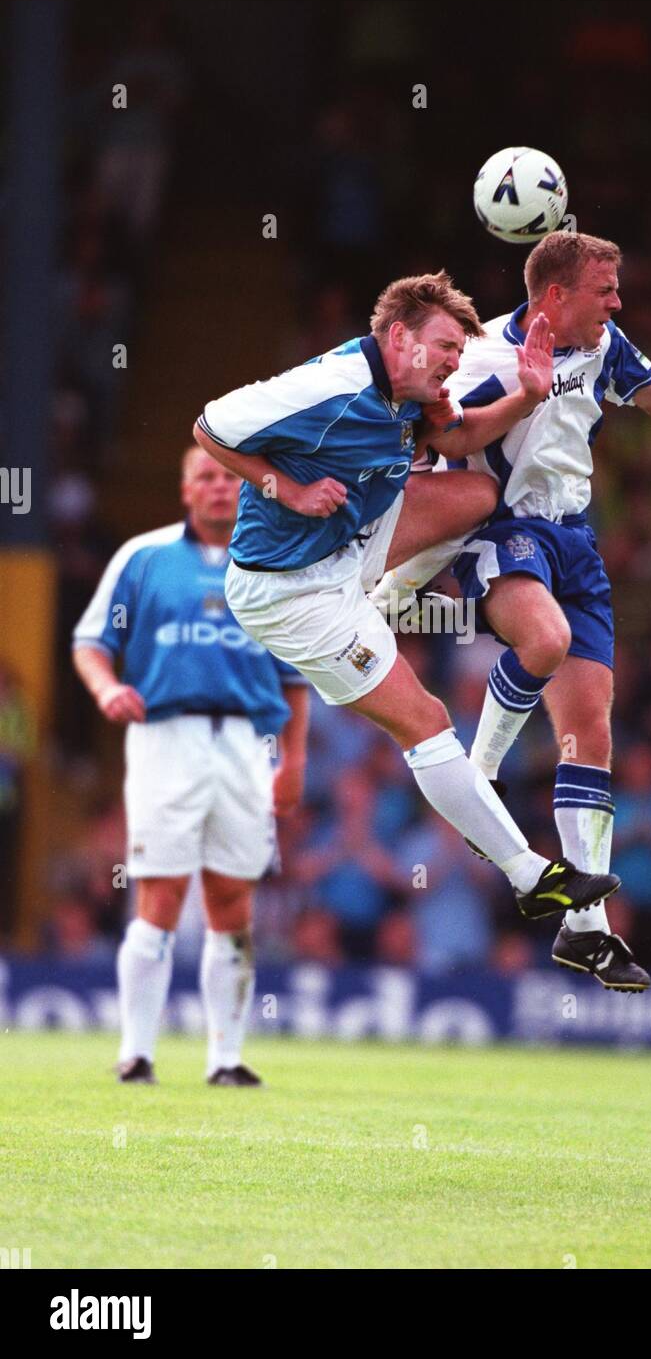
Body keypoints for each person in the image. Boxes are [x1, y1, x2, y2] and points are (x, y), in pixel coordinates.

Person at [373, 231, 651, 992]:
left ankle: (585, 934)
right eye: (604, 289)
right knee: (544, 639)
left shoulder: (603, 344)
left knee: (590, 734)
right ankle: (480, 772)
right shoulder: (481, 360)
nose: (616, 301)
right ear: (555, 296)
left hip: (574, 537)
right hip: (503, 528)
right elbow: (445, 437)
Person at [192, 270, 621, 949]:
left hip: (350, 547)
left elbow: (454, 441)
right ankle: (530, 874)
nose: (454, 362)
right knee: (426, 720)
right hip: (291, 593)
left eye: (458, 350)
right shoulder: (327, 388)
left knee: (477, 494)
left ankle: (388, 600)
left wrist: (526, 396)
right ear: (397, 336)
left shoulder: (414, 392)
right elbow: (211, 424)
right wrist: (288, 489)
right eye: (446, 347)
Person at [73, 447, 310, 1086]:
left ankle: (225, 1058)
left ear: (248, 490)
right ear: (185, 490)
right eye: (205, 477)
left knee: (233, 897)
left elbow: (295, 679)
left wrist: (293, 763)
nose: (218, 488)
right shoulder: (143, 557)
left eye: (230, 478)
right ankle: (136, 1051)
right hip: (165, 735)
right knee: (160, 892)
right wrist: (105, 691)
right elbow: (92, 644)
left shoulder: (276, 561)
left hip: (246, 742)